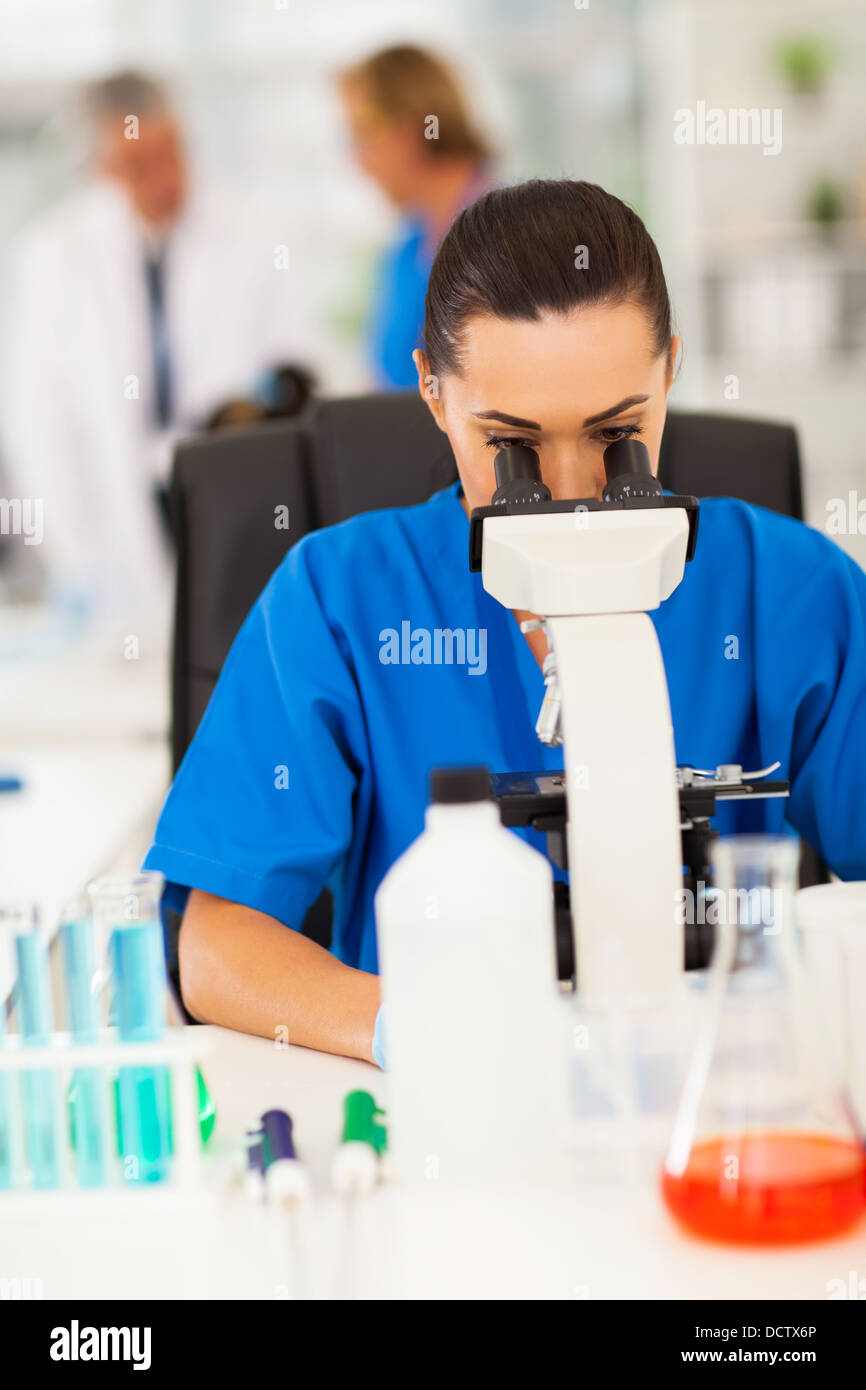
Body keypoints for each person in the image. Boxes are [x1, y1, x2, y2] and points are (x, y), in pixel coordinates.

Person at [144, 180, 866, 1068]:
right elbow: (217, 949)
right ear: (433, 392)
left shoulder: (793, 591)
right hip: (458, 1116)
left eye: (616, 435)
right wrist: (437, 1032)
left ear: (670, 369)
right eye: (512, 446)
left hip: (729, 1101)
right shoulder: (340, 600)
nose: (567, 490)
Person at [2, 71, 311, 623]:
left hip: (229, 499)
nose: (162, 178)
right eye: (136, 164)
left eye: (170, 153)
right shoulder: (55, 255)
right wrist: (73, 553)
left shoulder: (255, 234)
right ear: (99, 168)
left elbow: (293, 374)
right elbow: (41, 417)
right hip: (112, 525)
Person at [338, 45, 492, 390]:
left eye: (361, 136)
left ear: (407, 129)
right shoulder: (406, 251)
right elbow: (382, 386)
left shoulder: (511, 230)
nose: (359, 162)